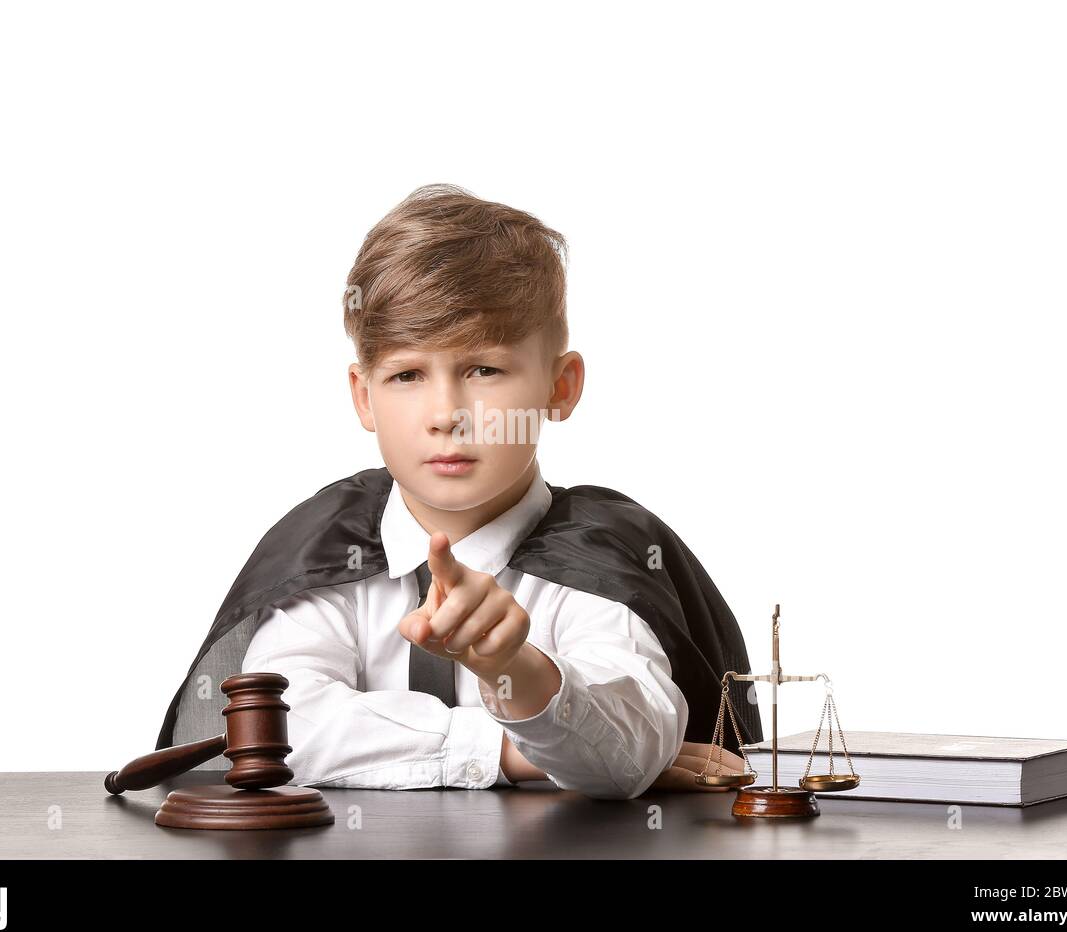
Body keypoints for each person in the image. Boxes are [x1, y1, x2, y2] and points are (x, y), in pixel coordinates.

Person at [157, 184, 759, 799]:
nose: (446, 414)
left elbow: (631, 745)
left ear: (560, 386)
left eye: (484, 370)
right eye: (407, 375)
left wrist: (513, 669)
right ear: (365, 397)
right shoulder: (329, 546)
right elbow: (284, 725)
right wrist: (505, 747)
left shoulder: (603, 554)